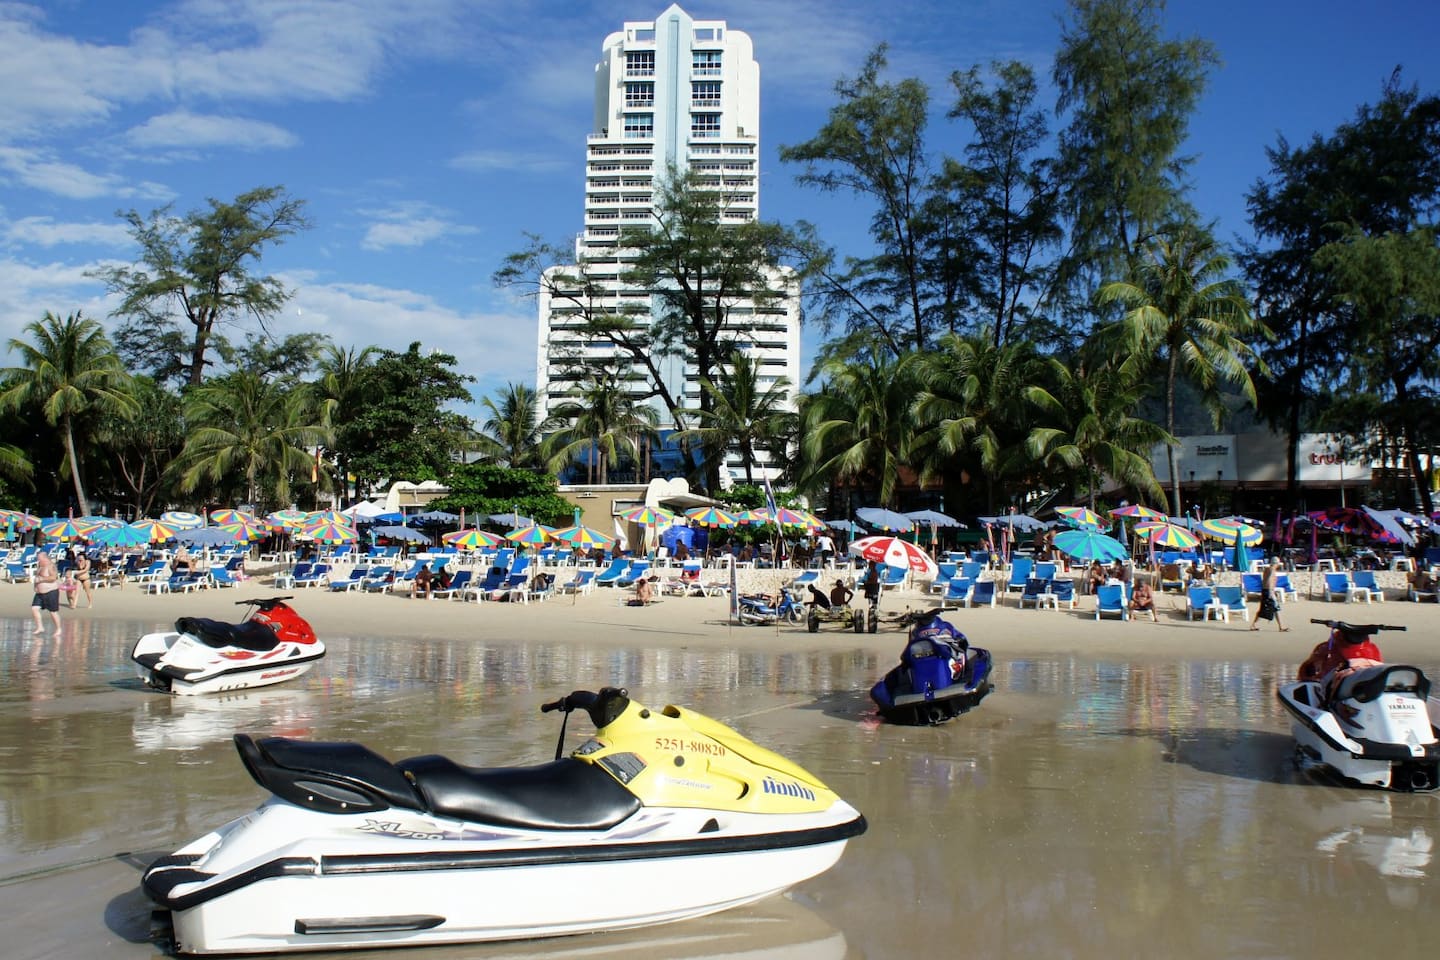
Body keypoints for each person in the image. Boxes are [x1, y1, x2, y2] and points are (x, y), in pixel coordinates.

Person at [1249, 563, 1288, 631]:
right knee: (1265, 609)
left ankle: (1280, 627)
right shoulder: (1271, 570)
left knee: (1275, 609)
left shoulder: (1267, 569)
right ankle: (1253, 625)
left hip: (1267, 590)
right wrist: (1270, 591)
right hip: (1269, 591)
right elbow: (1269, 580)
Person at [30, 551, 62, 634]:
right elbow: (38, 576)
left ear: (44, 557)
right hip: (39, 593)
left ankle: (58, 629)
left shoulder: (51, 566)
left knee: (53, 612)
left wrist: (41, 579)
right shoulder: (40, 565)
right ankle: (40, 627)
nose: (38, 559)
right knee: (34, 608)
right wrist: (36, 586)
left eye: (39, 558)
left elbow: (53, 577)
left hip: (50, 591)